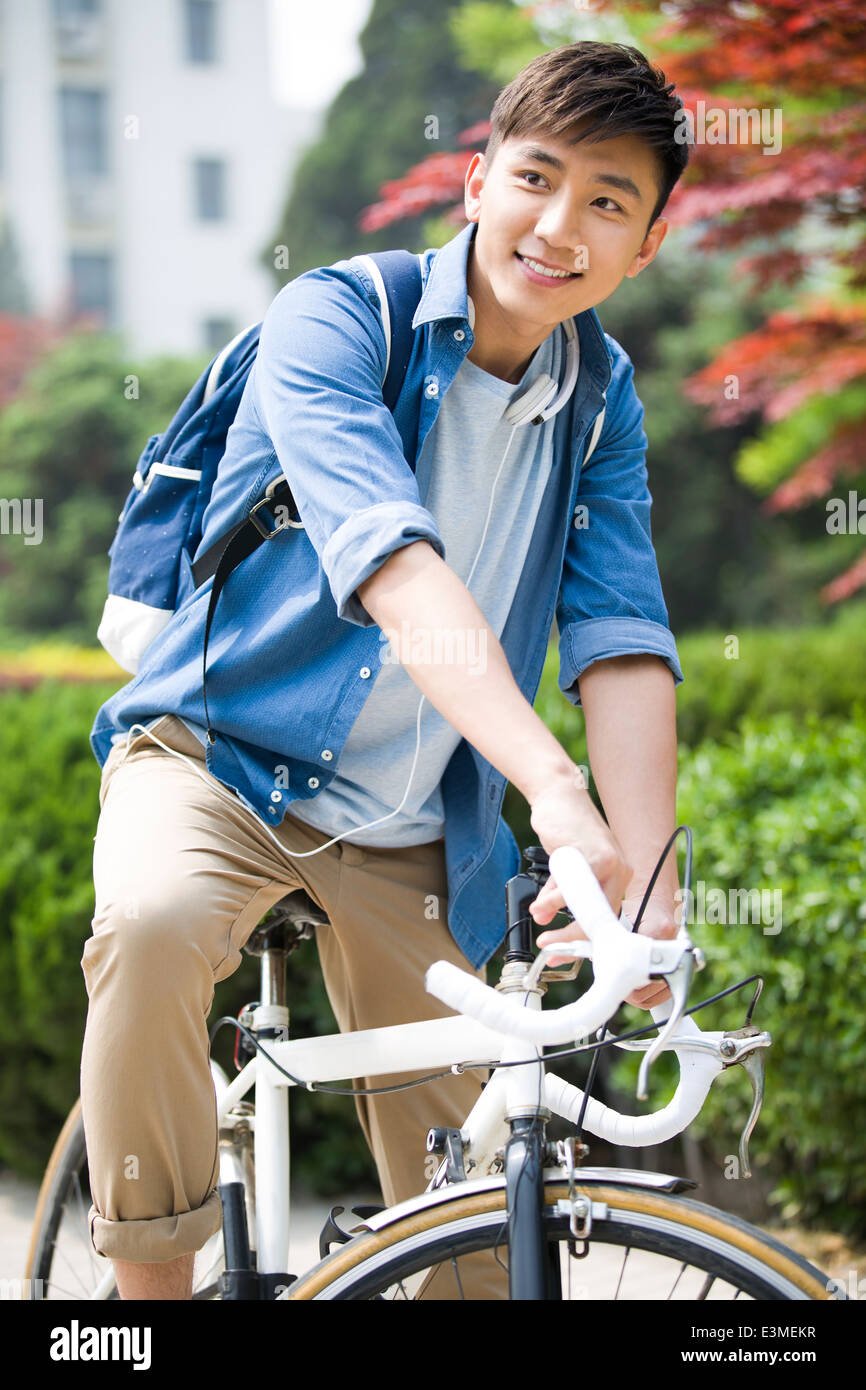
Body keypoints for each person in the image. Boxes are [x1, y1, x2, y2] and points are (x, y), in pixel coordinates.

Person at [81, 40, 689, 1300]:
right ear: (474, 182)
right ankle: (147, 1311)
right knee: (148, 926)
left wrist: (649, 882)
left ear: (646, 247)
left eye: (607, 202)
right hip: (216, 761)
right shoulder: (336, 318)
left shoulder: (598, 402)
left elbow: (620, 634)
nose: (558, 225)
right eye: (535, 177)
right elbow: (387, 561)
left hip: (414, 826)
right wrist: (554, 787)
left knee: (466, 1224)